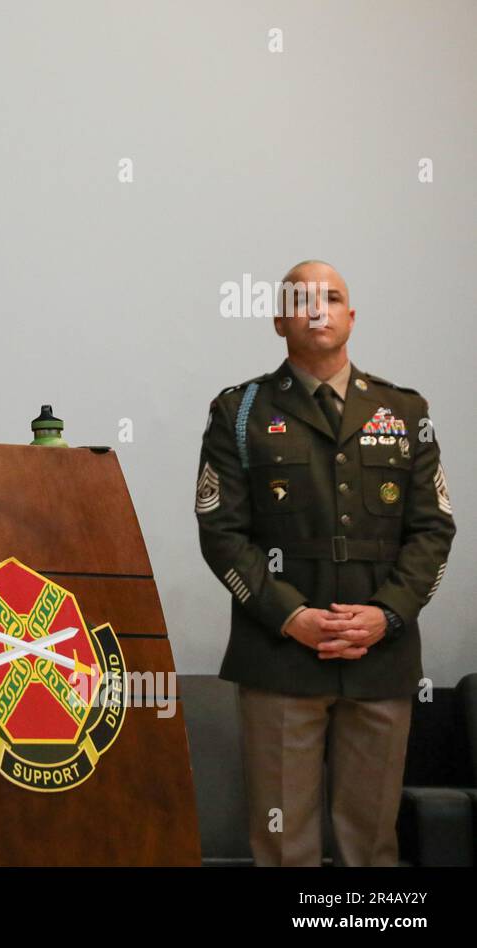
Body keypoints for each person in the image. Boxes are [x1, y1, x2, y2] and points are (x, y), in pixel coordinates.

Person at [195, 259, 455, 866]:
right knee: (285, 844)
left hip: (380, 659)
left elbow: (432, 529)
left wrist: (386, 614)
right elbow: (221, 532)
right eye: (304, 298)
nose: (319, 308)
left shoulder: (405, 411)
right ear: (279, 319)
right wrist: (293, 618)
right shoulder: (240, 412)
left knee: (372, 843)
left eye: (332, 297)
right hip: (281, 657)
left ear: (351, 317)